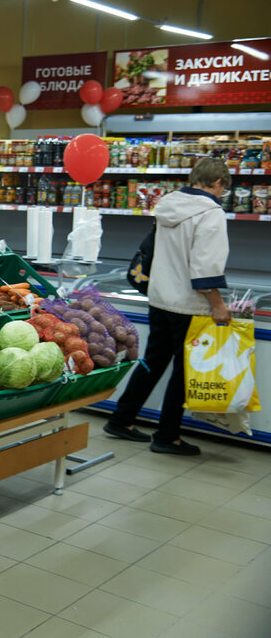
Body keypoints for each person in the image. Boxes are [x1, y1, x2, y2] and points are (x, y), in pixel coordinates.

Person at [105, 157, 231, 456]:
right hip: (189, 303)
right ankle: (168, 435)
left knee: (154, 359)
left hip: (160, 297)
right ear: (216, 183)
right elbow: (205, 268)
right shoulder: (211, 213)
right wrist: (218, 305)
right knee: (183, 370)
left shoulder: (168, 204)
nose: (222, 194)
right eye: (223, 188)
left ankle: (121, 419)